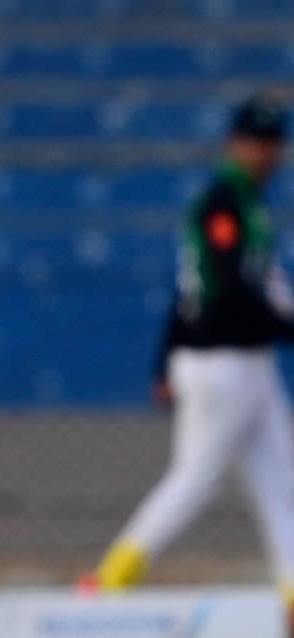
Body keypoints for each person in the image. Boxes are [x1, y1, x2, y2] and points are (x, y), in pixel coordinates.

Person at [90, 95, 293, 596]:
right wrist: (166, 360)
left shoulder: (249, 206)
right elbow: (221, 292)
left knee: (282, 483)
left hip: (252, 361)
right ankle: (107, 581)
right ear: (235, 144)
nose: (266, 153)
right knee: (195, 479)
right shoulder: (222, 203)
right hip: (218, 360)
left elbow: (211, 289)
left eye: (273, 143)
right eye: (257, 142)